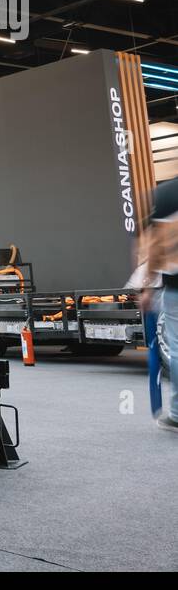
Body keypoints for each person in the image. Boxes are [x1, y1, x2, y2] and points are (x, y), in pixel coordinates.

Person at [140, 178, 178, 430]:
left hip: (176, 285)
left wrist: (146, 285)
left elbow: (157, 245)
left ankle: (176, 413)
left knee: (177, 349)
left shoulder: (168, 193)